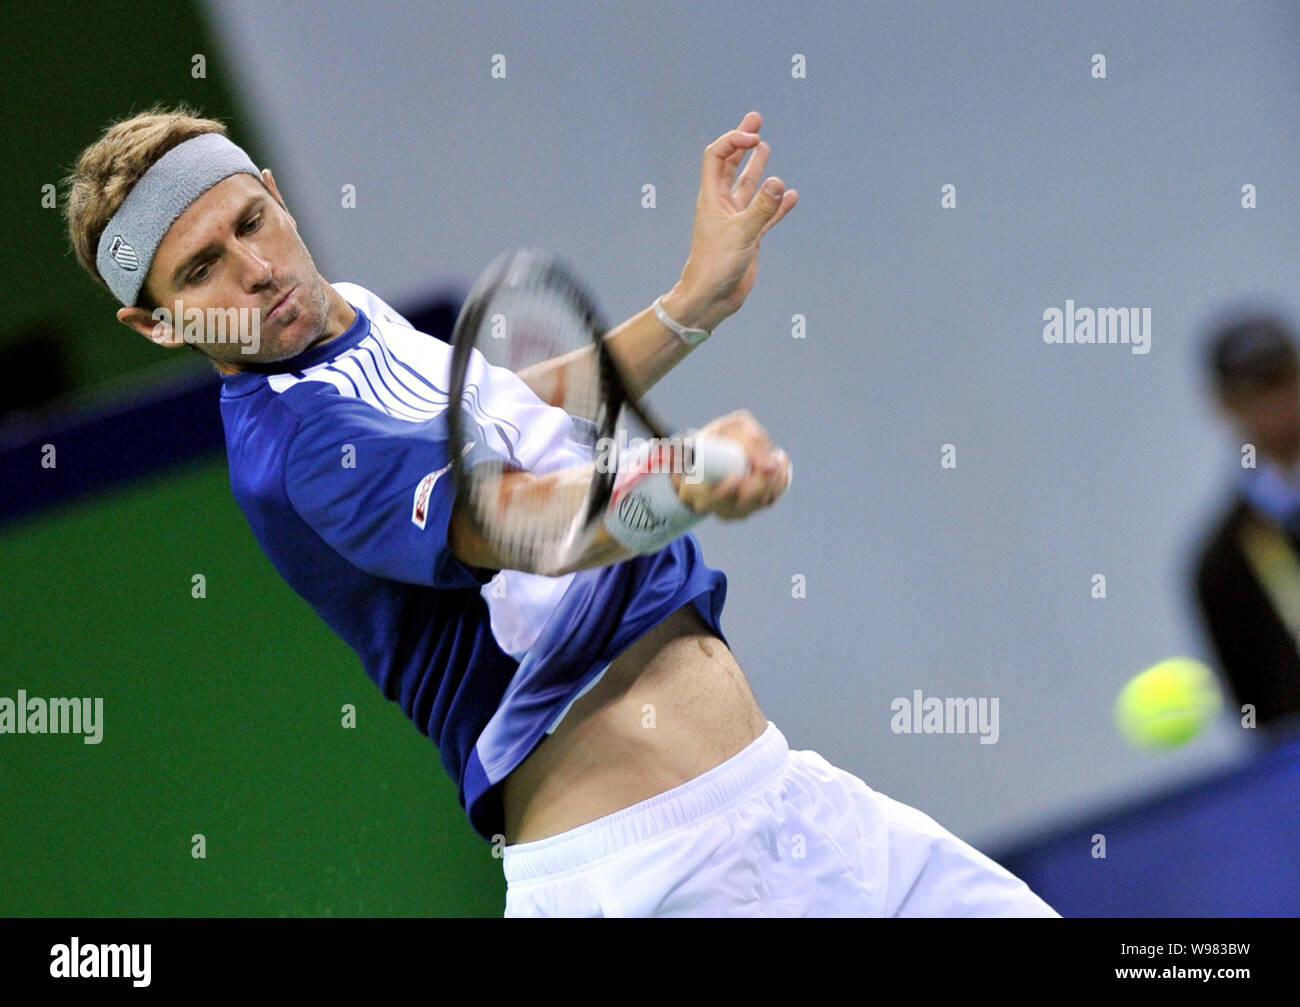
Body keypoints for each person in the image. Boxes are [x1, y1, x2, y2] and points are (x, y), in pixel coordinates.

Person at [64, 103, 1058, 917]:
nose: (255, 267)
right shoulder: (301, 448)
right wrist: (685, 476)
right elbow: (519, 518)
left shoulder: (344, 313)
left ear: (274, 196)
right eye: (201, 270)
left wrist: (689, 306)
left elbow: (510, 414)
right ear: (155, 322)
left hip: (788, 802)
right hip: (652, 877)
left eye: (250, 222)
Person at [1193, 314, 1300, 731]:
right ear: (1224, 404)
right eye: (1258, 388)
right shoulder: (1222, 566)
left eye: (1284, 378)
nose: (1279, 401)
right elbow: (1260, 722)